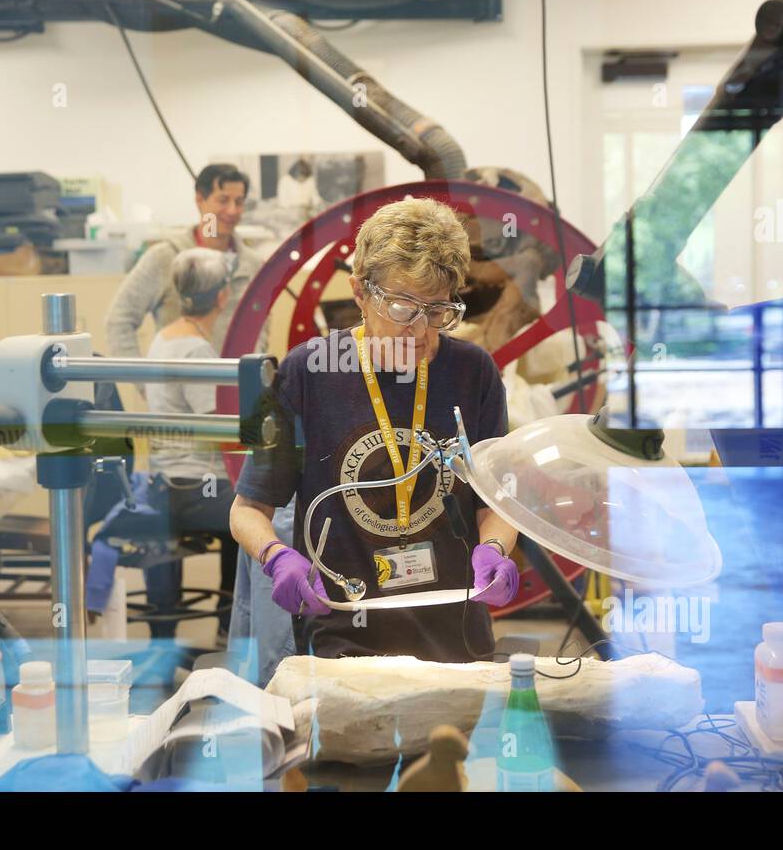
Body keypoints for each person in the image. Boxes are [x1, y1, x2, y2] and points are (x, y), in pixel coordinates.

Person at [230, 198, 521, 661]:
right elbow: (247, 508)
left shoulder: (474, 371)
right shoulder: (307, 371)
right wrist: (275, 556)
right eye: (403, 308)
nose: (421, 330)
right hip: (343, 633)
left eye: (438, 310)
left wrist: (494, 548)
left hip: (455, 631)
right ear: (360, 293)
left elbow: (497, 501)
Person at [140, 248, 241, 641]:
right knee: (252, 511)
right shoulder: (198, 349)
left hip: (163, 486)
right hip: (194, 489)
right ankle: (229, 626)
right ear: (222, 296)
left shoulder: (164, 337)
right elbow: (217, 428)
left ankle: (163, 632)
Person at [105, 163, 261, 377]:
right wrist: (147, 383)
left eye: (239, 201)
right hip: (180, 405)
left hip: (238, 397)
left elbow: (261, 328)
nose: (232, 210)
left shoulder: (252, 265)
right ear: (200, 200)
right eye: (223, 200)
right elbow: (118, 321)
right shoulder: (164, 258)